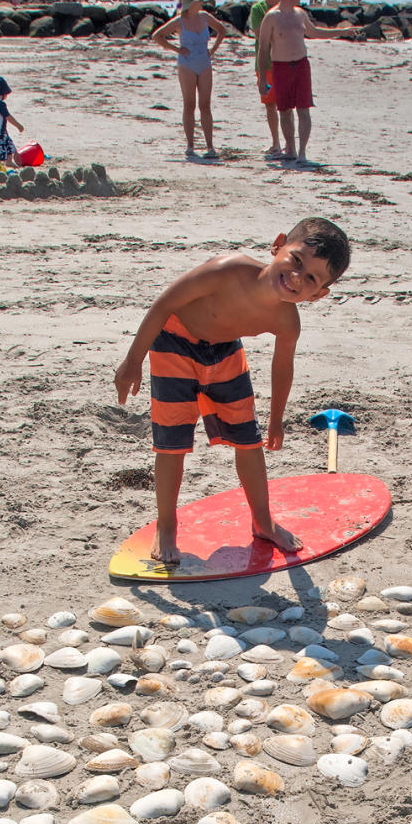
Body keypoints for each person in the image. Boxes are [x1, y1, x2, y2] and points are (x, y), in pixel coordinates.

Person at [113, 218, 351, 566]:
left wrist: (276, 419)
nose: (297, 277)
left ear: (318, 294)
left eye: (311, 278)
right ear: (278, 244)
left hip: (224, 352)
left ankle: (263, 521)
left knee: (248, 441)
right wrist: (132, 362)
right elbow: (164, 305)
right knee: (172, 441)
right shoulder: (228, 270)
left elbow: (282, 367)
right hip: (173, 343)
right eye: (296, 260)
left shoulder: (288, 320)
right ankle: (167, 525)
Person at [255, 0, 353, 167]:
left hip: (301, 65)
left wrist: (342, 32)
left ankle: (302, 152)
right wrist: (261, 78)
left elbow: (314, 32)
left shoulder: (300, 14)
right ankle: (290, 149)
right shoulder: (271, 17)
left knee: (304, 109)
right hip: (280, 67)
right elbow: (264, 48)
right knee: (284, 110)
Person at [153, 0, 227, 159]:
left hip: (204, 62)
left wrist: (213, 50)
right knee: (189, 105)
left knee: (205, 105)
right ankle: (190, 145)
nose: (202, 2)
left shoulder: (205, 17)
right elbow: (158, 36)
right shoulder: (179, 21)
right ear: (191, 3)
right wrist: (177, 49)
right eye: (199, 0)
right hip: (186, 64)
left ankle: (210, 146)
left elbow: (222, 30)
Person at [249, 0, 282, 158]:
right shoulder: (258, 9)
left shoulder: (285, 8)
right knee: (270, 103)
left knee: (285, 104)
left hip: (284, 60)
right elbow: (260, 34)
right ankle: (275, 142)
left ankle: (288, 143)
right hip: (265, 63)